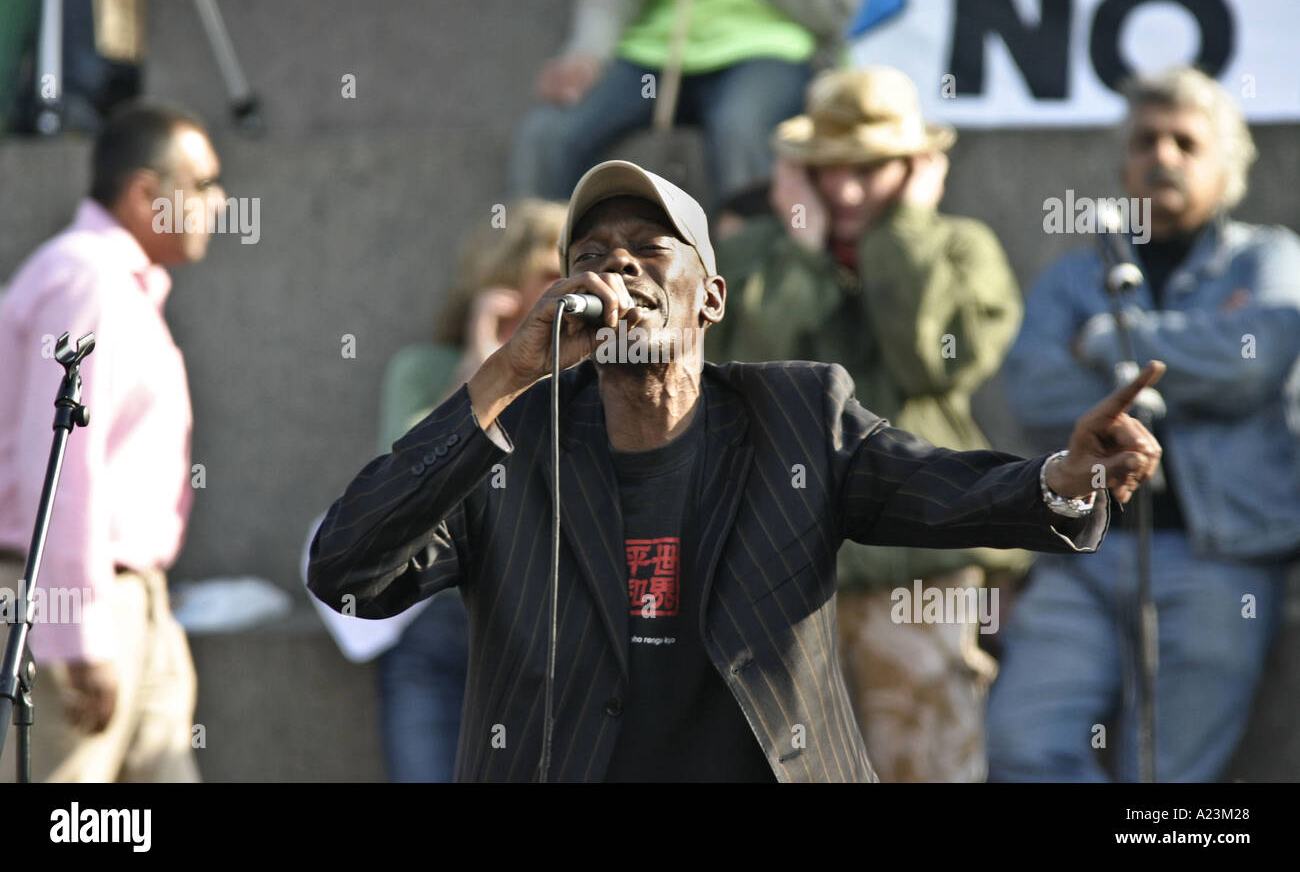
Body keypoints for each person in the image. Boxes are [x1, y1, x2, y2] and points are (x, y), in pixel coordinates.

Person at [308, 158, 1164, 783]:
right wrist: (503, 374)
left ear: (711, 297)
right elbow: (348, 570)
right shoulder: (517, 437)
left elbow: (950, 491)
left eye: (650, 247)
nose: (619, 266)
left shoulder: (795, 417)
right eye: (593, 254)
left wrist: (1067, 473)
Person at [705, 66, 1029, 781]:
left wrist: (904, 232)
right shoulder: (754, 255)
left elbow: (931, 362)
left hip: (919, 566)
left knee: (929, 767)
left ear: (917, 167)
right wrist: (800, 248)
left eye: (871, 171)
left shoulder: (959, 247)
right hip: (786, 573)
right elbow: (751, 371)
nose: (846, 192)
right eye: (825, 171)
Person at [986, 66, 1300, 782]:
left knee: (1166, 776)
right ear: (1124, 160)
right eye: (1146, 140)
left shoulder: (1269, 256)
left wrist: (1105, 344)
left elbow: (1257, 363)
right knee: (1021, 744)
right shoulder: (1073, 275)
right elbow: (1035, 392)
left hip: (1220, 559)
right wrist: (1189, 365)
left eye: (1186, 143)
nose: (1163, 157)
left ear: (1228, 165)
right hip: (1083, 554)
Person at [0, 100, 223, 782]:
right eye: (205, 184)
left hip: (135, 602)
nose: (220, 203)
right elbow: (58, 466)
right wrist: (78, 636)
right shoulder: (86, 280)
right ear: (146, 195)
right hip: (82, 607)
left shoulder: (110, 283)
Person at [370, 199, 566, 782]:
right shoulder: (426, 368)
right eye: (549, 277)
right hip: (436, 622)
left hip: (530, 629)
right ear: (505, 281)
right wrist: (481, 362)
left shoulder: (578, 376)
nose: (566, 293)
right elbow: (402, 482)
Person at [506, 0, 873, 210]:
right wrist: (587, 54)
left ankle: (749, 280)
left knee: (741, 127)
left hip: (772, 50)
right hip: (654, 51)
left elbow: (832, 9)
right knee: (548, 134)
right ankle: (541, 276)